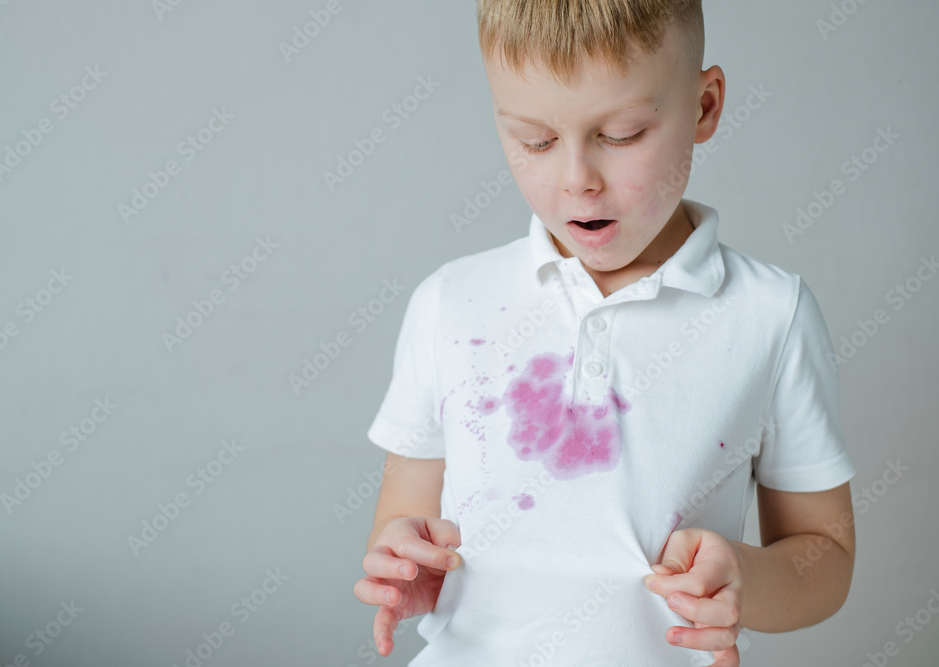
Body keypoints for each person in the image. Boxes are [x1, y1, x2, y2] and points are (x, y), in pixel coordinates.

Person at [353, 1, 858, 664]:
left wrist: (746, 577)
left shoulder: (770, 314)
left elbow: (827, 554)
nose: (576, 181)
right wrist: (405, 567)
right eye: (534, 140)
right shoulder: (450, 302)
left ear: (704, 107)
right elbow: (402, 522)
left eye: (620, 134)